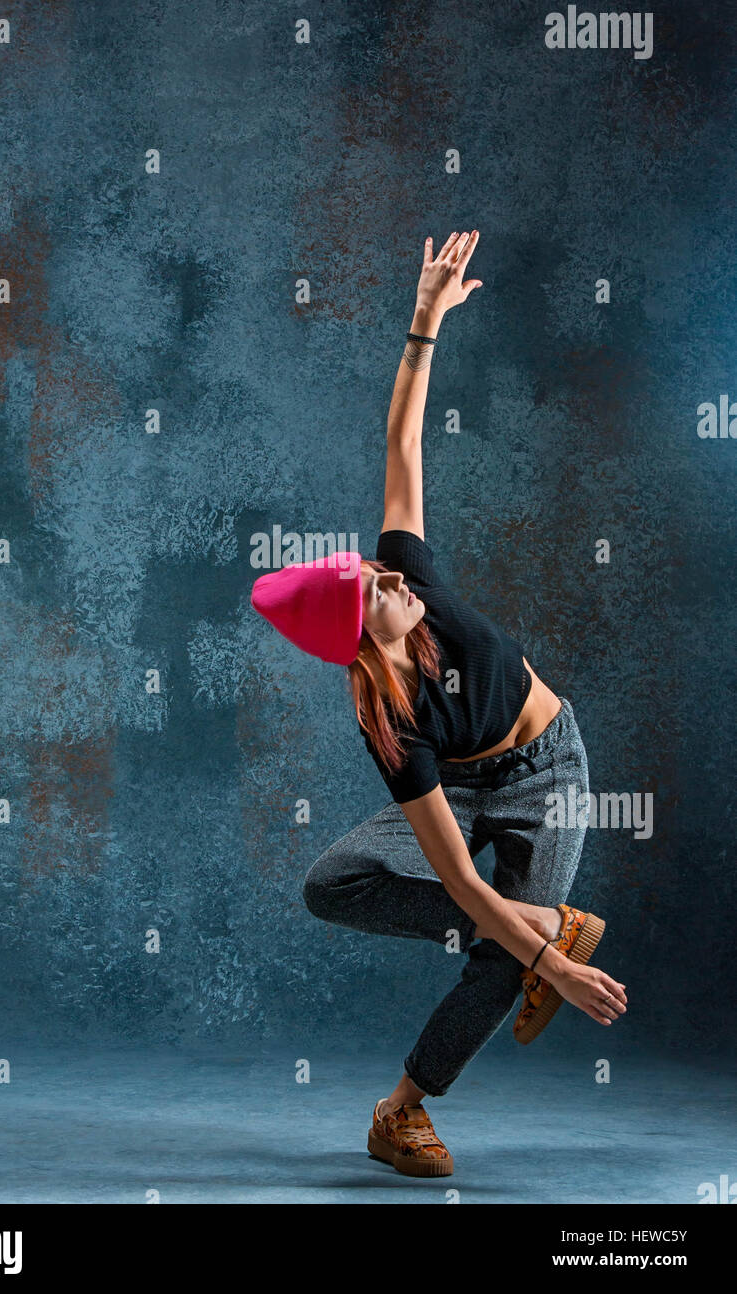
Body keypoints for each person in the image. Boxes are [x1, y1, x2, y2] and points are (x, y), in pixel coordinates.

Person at [250, 229, 627, 1179]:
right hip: (460, 786)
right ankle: (541, 927)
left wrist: (425, 320)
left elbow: (402, 442)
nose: (394, 574)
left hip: (550, 775)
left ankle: (400, 1112)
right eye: (376, 584)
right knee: (336, 884)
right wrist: (555, 959)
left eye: (383, 566)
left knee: (503, 955)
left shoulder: (412, 573)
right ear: (359, 629)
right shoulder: (391, 724)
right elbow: (456, 884)